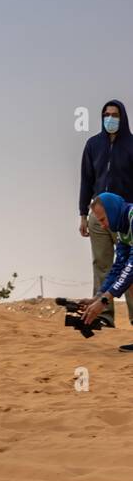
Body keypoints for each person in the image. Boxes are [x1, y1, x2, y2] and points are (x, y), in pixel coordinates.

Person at [79, 100, 133, 327]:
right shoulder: (93, 145)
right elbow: (86, 180)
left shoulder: (131, 144)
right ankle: (102, 316)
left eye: (115, 115)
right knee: (103, 264)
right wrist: (83, 213)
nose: (110, 118)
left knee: (130, 269)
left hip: (124, 214)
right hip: (98, 210)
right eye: (106, 115)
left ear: (123, 117)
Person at [79, 192, 133, 352]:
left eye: (103, 220)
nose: (102, 226)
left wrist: (104, 301)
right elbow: (119, 266)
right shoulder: (123, 228)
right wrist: (98, 296)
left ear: (112, 211)